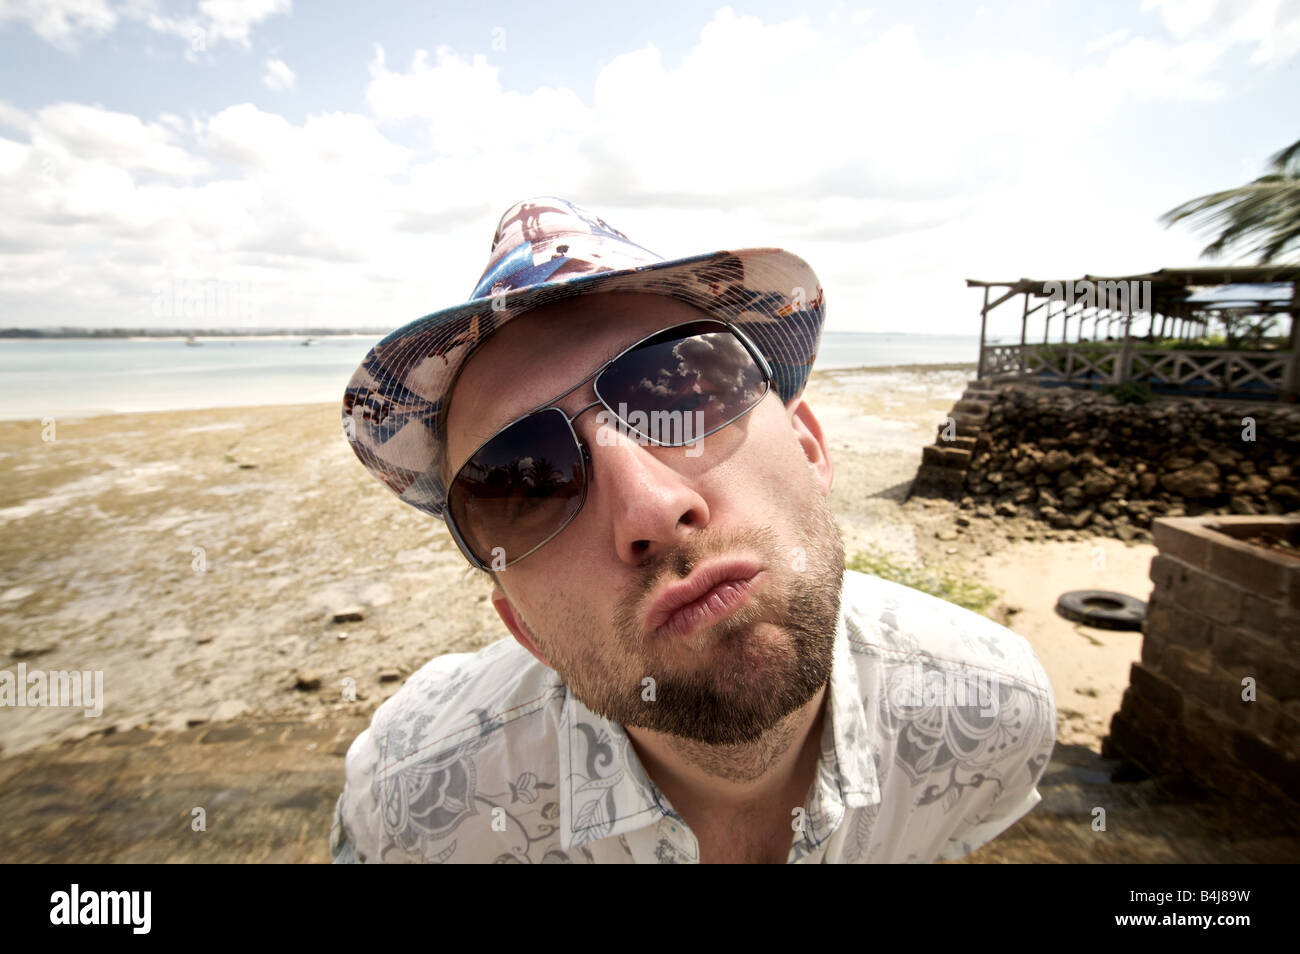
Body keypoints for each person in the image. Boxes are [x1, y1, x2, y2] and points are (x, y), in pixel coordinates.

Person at [332, 196, 1057, 864]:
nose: (648, 509)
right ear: (520, 623)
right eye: (525, 481)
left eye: (678, 391)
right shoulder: (410, 820)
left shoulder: (991, 720)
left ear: (809, 447)